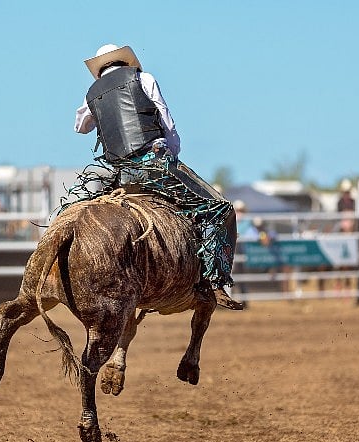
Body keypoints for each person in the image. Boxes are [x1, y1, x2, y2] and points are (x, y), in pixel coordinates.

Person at [74, 44, 241, 309]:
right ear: (125, 61)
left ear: (100, 69)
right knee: (219, 209)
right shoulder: (143, 78)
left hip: (118, 173)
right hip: (153, 166)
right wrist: (172, 152)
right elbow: (167, 121)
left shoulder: (91, 94)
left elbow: (80, 127)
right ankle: (214, 280)